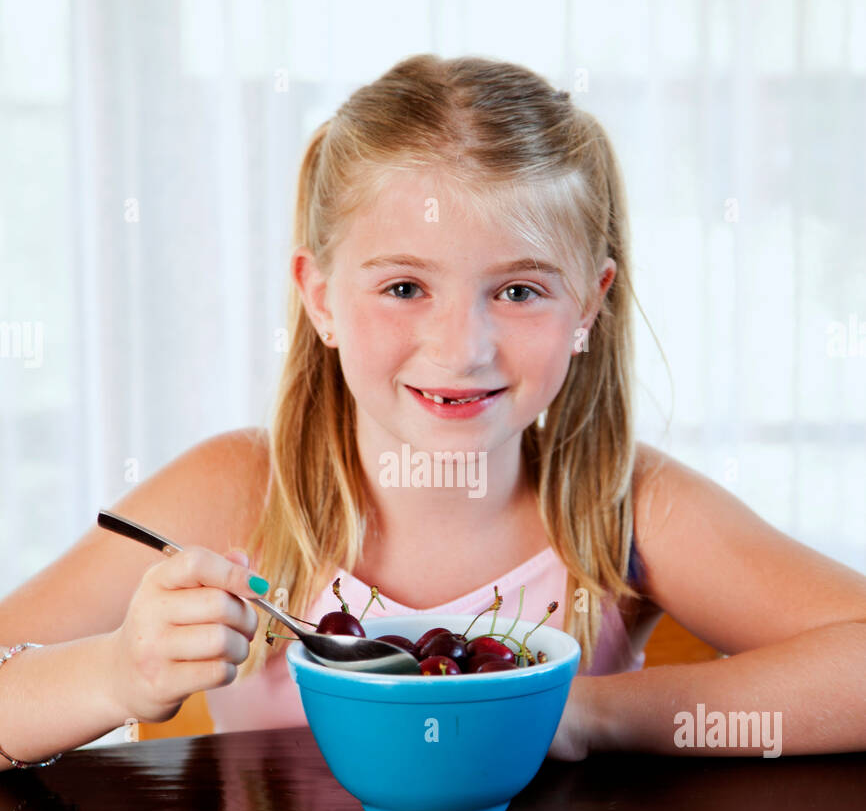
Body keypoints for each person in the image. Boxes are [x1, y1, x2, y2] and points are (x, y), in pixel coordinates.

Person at [2, 54, 865, 769]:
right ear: (321, 298)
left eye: (520, 290)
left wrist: (576, 715)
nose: (462, 348)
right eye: (405, 287)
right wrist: (114, 675)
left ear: (590, 306)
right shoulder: (239, 492)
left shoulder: (624, 501)